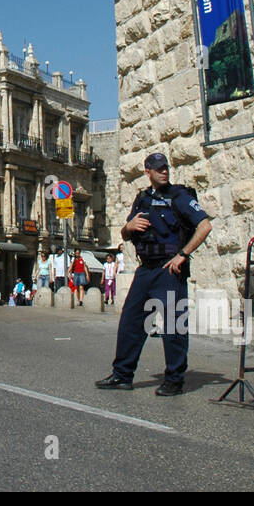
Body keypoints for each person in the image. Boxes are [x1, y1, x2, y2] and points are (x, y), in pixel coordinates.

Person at [96, 152, 212, 397]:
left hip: (169, 269)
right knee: (131, 322)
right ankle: (122, 375)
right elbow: (126, 234)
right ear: (147, 171)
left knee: (173, 327)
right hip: (145, 268)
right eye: (158, 168)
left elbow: (205, 225)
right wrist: (129, 227)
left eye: (166, 168)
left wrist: (183, 254)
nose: (164, 172)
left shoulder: (179, 196)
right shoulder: (143, 198)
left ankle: (174, 379)